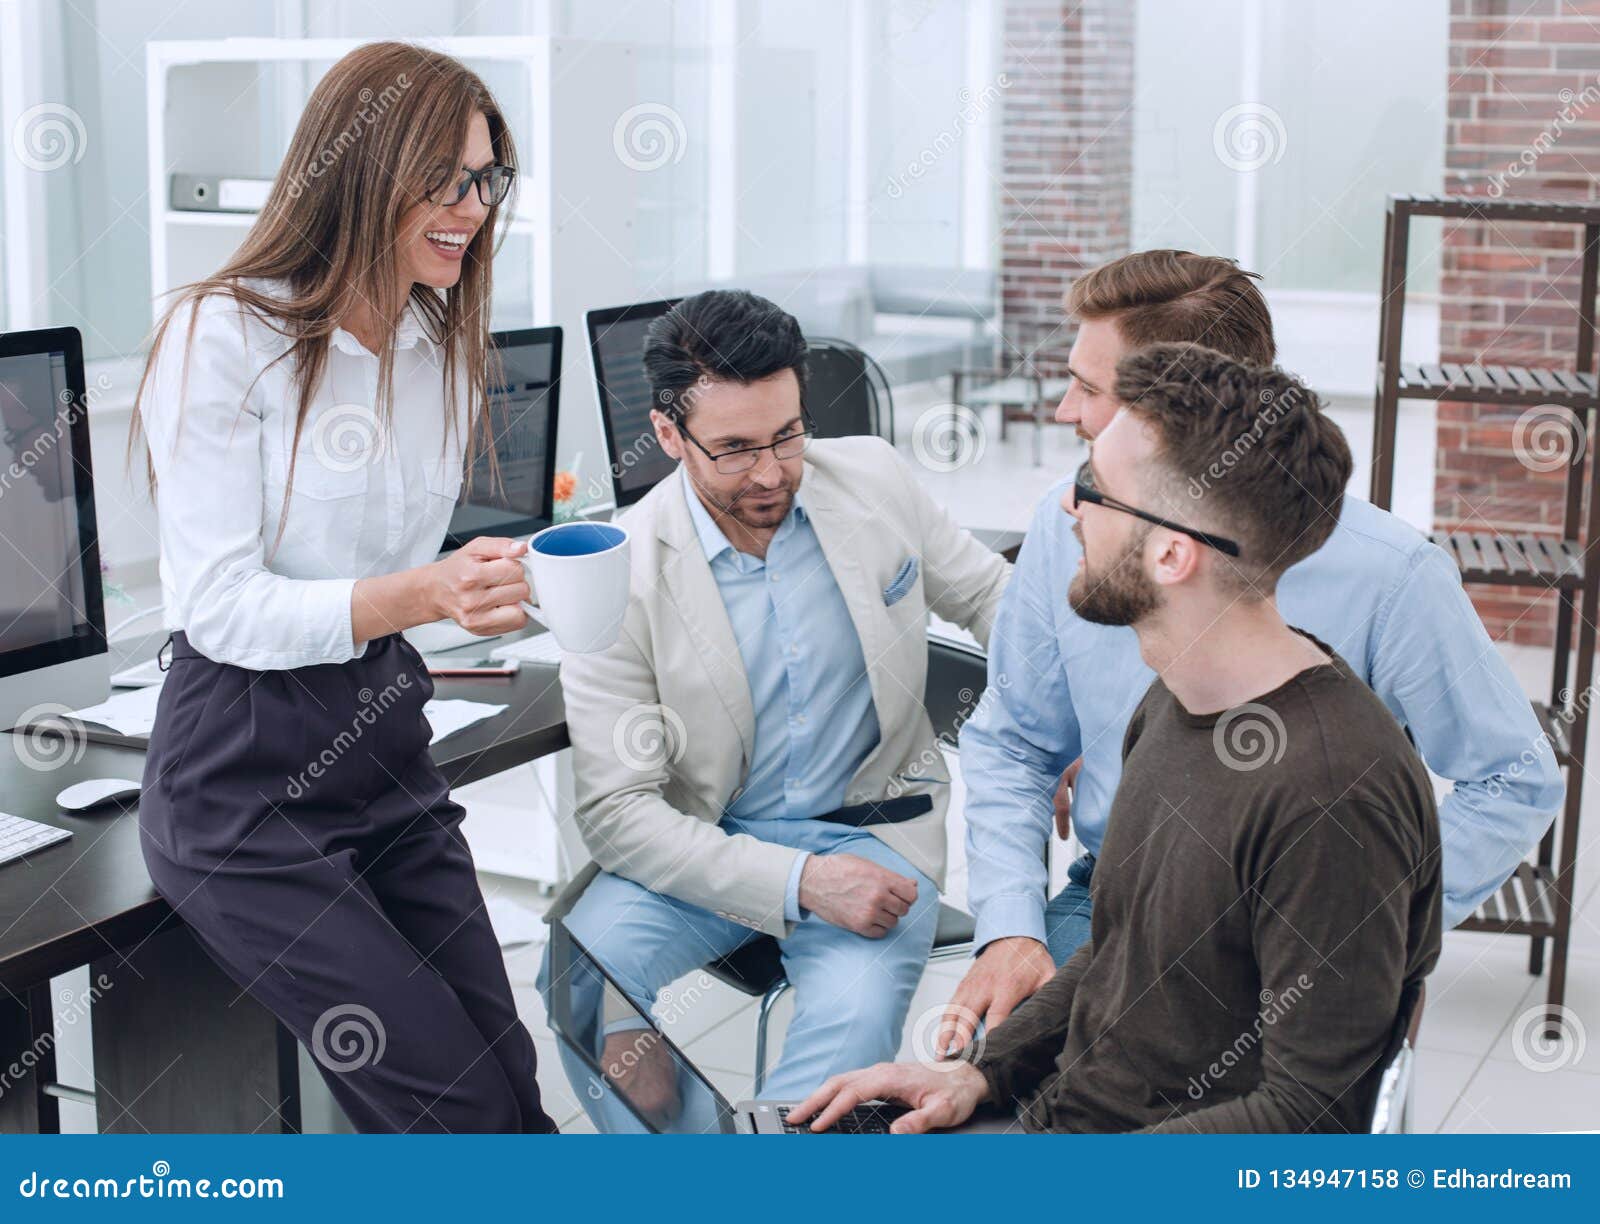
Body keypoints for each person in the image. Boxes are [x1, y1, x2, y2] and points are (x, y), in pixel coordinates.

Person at [791, 344, 1443, 1133]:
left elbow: (1312, 1115)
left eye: (1093, 486)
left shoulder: (1331, 797)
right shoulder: (1174, 699)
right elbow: (1120, 949)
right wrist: (976, 1075)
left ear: (1171, 553)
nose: (1070, 508)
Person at [942, 249, 1561, 1050]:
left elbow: (1514, 777)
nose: (1065, 411)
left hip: (1290, 924)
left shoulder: (1390, 574)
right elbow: (1016, 741)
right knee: (991, 1094)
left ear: (1188, 408)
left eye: (1092, 390)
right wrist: (1009, 928)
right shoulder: (1068, 529)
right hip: (1113, 902)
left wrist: (1360, 929)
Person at [131, 42, 556, 1134]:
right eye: (446, 179)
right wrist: (426, 594)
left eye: (487, 179)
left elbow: (402, 571)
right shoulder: (225, 332)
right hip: (243, 776)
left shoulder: (435, 341)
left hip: (382, 734)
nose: (473, 208)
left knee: (513, 1093)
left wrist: (483, 587)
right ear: (363, 172)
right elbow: (221, 604)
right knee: (459, 1116)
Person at [540, 289, 1011, 1122]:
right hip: (710, 841)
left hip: (874, 834)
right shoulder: (619, 572)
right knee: (582, 980)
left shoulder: (872, 479)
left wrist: (1065, 728)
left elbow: (996, 601)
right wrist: (800, 881)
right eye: (734, 449)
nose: (770, 472)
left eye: (787, 435)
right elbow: (617, 814)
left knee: (835, 1071)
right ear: (667, 435)